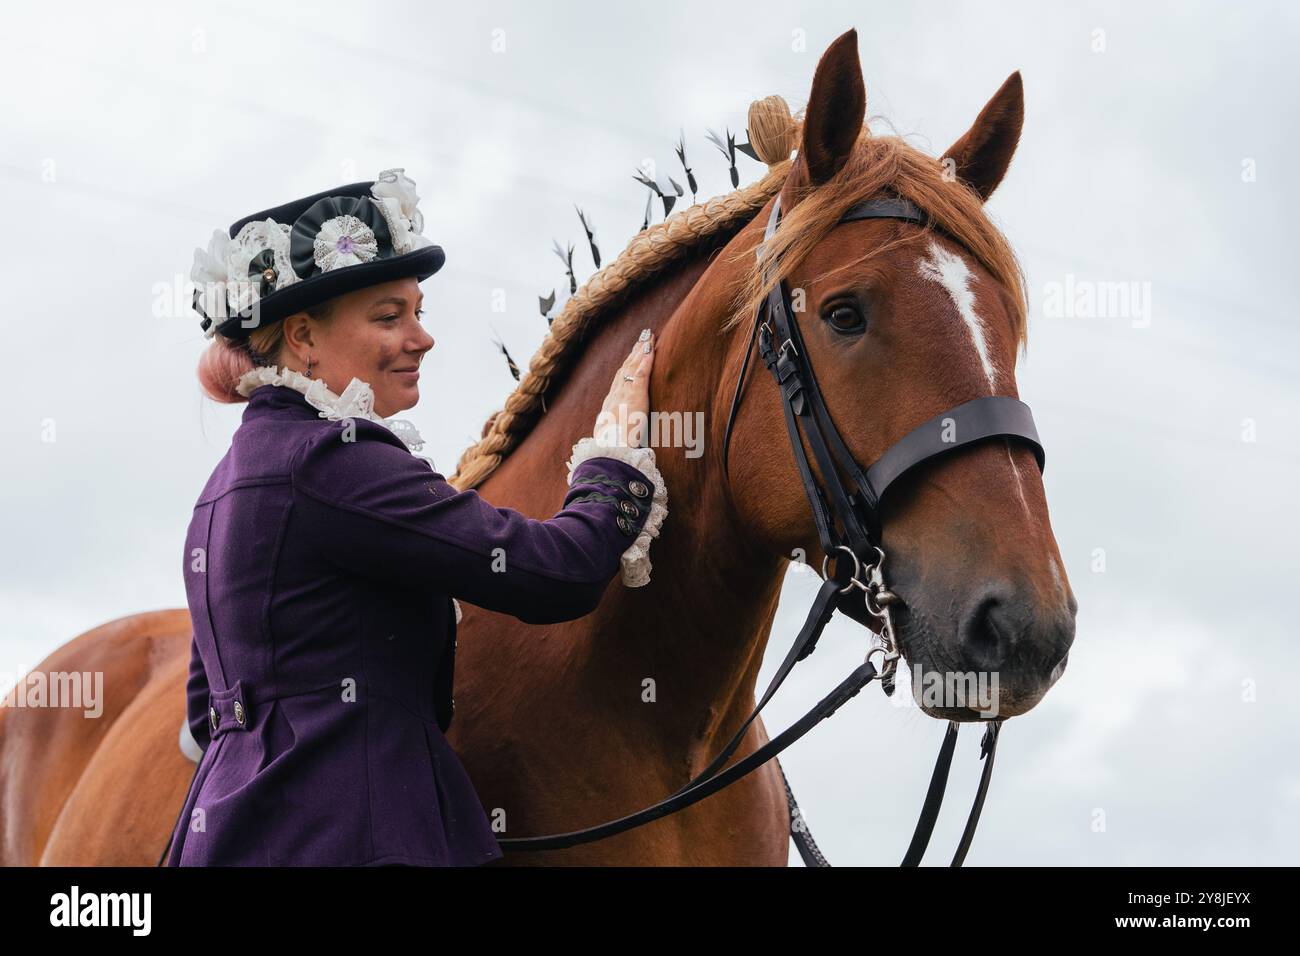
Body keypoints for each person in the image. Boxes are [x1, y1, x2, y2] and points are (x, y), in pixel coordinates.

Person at [163, 168, 666, 866]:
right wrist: (611, 465)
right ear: (303, 336)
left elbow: (203, 714)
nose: (422, 338)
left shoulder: (221, 490)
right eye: (389, 315)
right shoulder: (332, 460)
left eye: (418, 312)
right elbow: (560, 573)